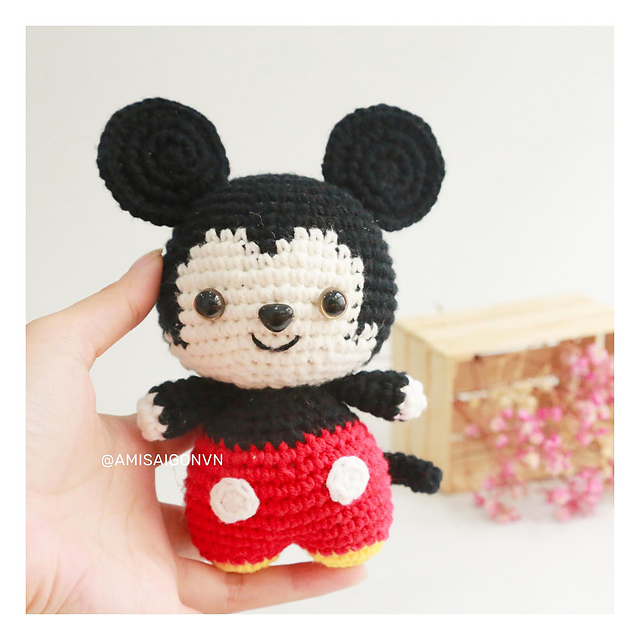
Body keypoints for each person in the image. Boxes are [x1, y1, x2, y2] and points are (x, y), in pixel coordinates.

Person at [26, 249, 366, 613]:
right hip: (235, 508)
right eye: (210, 304)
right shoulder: (218, 394)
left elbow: (369, 390)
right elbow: (179, 405)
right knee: (236, 536)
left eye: (332, 303)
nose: (276, 318)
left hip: (332, 490)